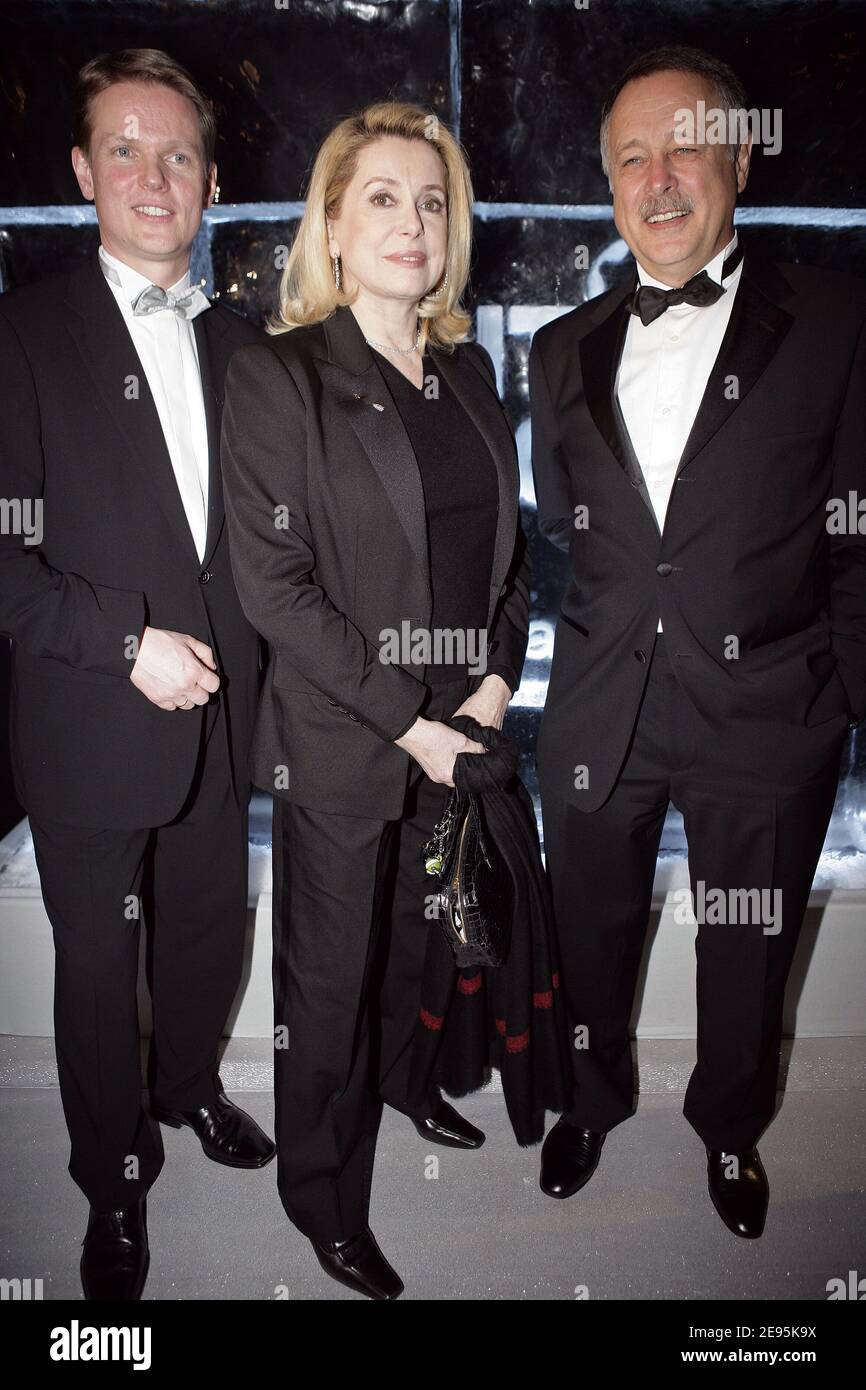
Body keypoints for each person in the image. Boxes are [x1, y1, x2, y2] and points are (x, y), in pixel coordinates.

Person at [529, 45, 865, 1239]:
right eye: (629, 156)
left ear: (735, 154)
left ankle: (729, 1124)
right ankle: (586, 1097)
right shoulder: (557, 347)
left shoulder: (835, 317)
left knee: (745, 946)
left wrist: (840, 699)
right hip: (598, 706)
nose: (655, 176)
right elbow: (569, 534)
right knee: (588, 927)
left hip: (768, 711)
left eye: (681, 145)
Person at [221, 100, 530, 1299]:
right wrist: (413, 724)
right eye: (383, 198)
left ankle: (405, 1088)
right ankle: (322, 1194)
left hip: (461, 733)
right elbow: (277, 589)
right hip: (351, 742)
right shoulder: (278, 375)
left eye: (432, 200)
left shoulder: (466, 372)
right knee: (329, 978)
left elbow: (509, 557)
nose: (413, 221)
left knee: (412, 952)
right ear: (335, 230)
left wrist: (495, 684)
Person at [0, 48, 275, 1302]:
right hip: (90, 718)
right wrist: (122, 643)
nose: (153, 174)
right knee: (100, 970)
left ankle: (189, 1091)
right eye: (125, 147)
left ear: (210, 180)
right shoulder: (20, 333)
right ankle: (112, 1181)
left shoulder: (246, 345)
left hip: (230, 718)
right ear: (80, 170)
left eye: (177, 153)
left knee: (210, 932)